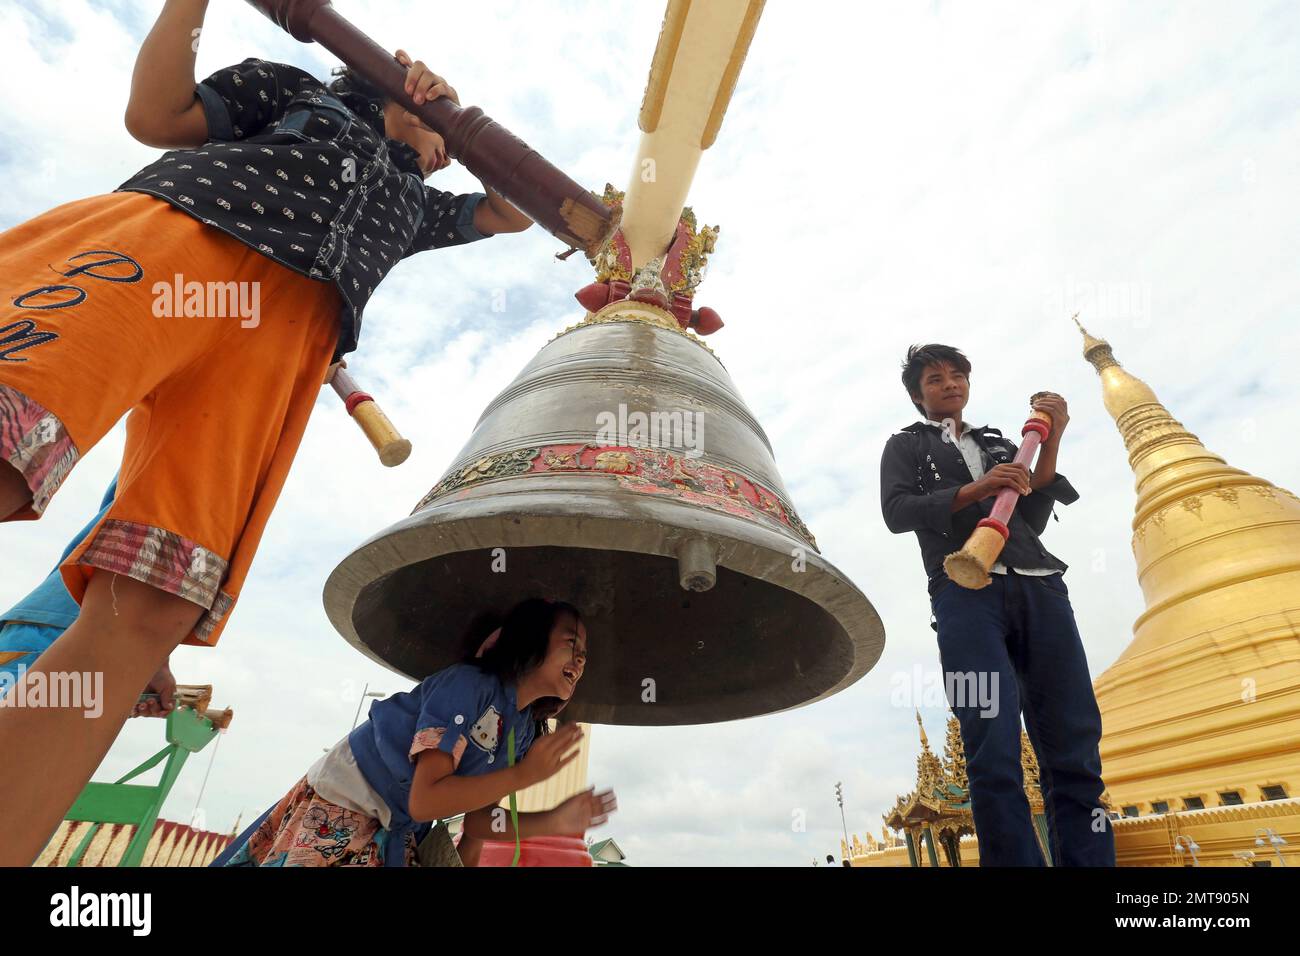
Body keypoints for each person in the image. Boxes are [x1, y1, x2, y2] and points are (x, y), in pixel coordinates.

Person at [0, 0, 534, 866]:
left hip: (284, 342)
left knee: (147, 608)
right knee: (8, 444)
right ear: (387, 83)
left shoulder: (415, 203)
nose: (441, 153)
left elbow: (514, 211)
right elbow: (156, 119)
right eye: (434, 116)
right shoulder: (297, 94)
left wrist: (456, 126)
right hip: (185, 244)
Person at [878, 343, 1114, 866]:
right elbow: (897, 511)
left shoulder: (1001, 443)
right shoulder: (906, 447)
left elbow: (1031, 505)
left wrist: (1054, 432)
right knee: (991, 743)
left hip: (1041, 585)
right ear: (919, 395)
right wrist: (978, 488)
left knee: (1073, 741)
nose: (949, 383)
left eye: (957, 374)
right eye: (935, 378)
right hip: (964, 592)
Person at [215, 599, 617, 867]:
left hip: (399, 827)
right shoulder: (467, 685)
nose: (580, 660)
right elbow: (426, 800)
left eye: (584, 653)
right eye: (570, 643)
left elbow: (478, 824)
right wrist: (524, 776)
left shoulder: (523, 731)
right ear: (530, 641)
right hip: (348, 802)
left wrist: (557, 820)